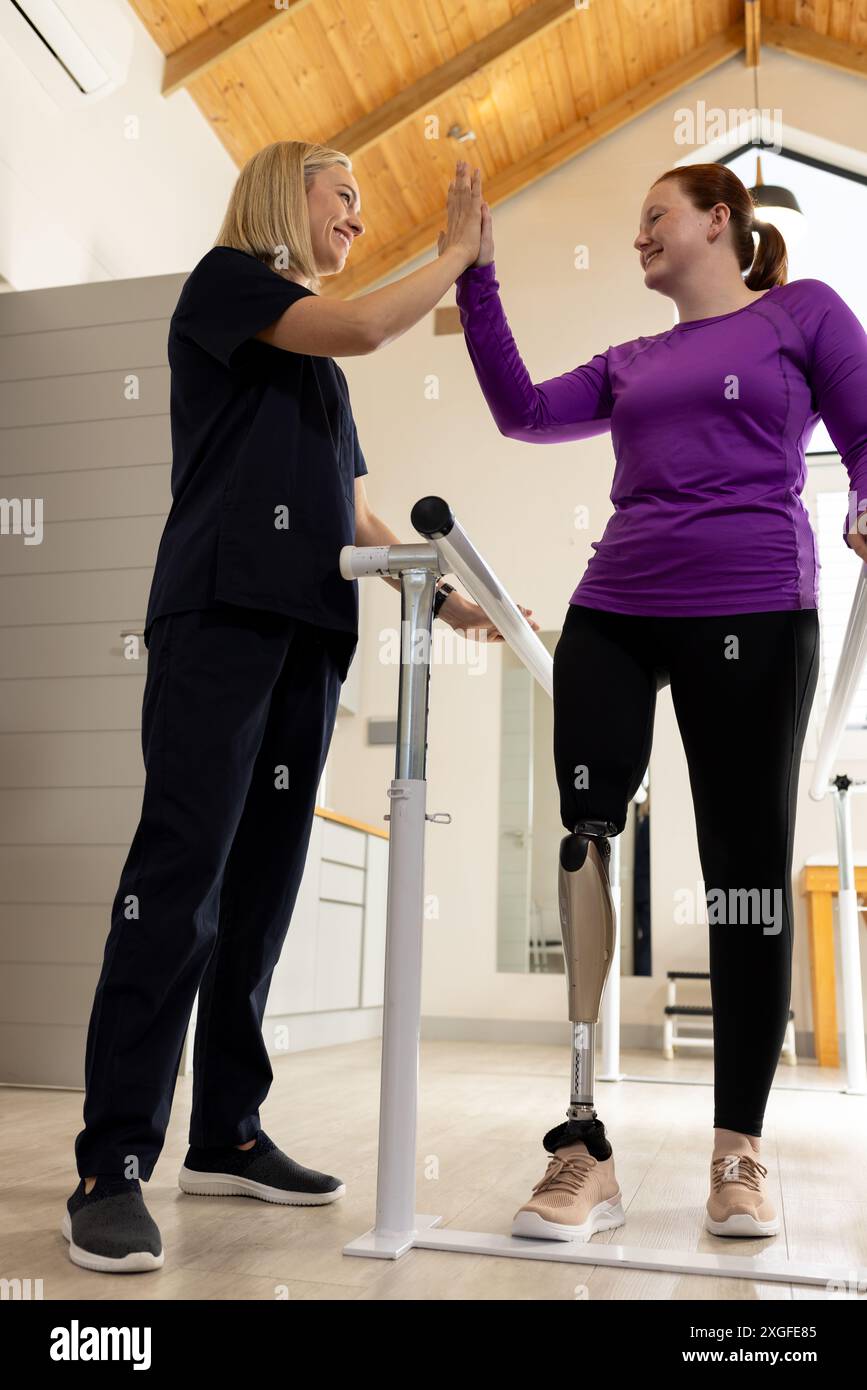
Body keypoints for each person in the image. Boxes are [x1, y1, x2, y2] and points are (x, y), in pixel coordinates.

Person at [64, 142, 536, 1274]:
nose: (358, 220)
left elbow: (358, 511)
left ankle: (226, 1129)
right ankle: (112, 1159)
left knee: (262, 895)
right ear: (289, 195)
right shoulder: (231, 282)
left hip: (315, 631)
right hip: (222, 612)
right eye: (346, 199)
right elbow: (372, 324)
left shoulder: (318, 375)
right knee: (180, 879)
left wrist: (442, 584)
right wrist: (456, 254)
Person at [454, 161, 867, 1240]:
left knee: (742, 872)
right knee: (581, 837)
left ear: (718, 222)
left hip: (757, 602)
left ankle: (739, 1153)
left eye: (654, 217)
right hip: (619, 604)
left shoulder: (803, 314)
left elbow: (866, 432)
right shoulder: (633, 360)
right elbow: (522, 412)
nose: (638, 234)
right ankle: (583, 1147)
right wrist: (478, 281)